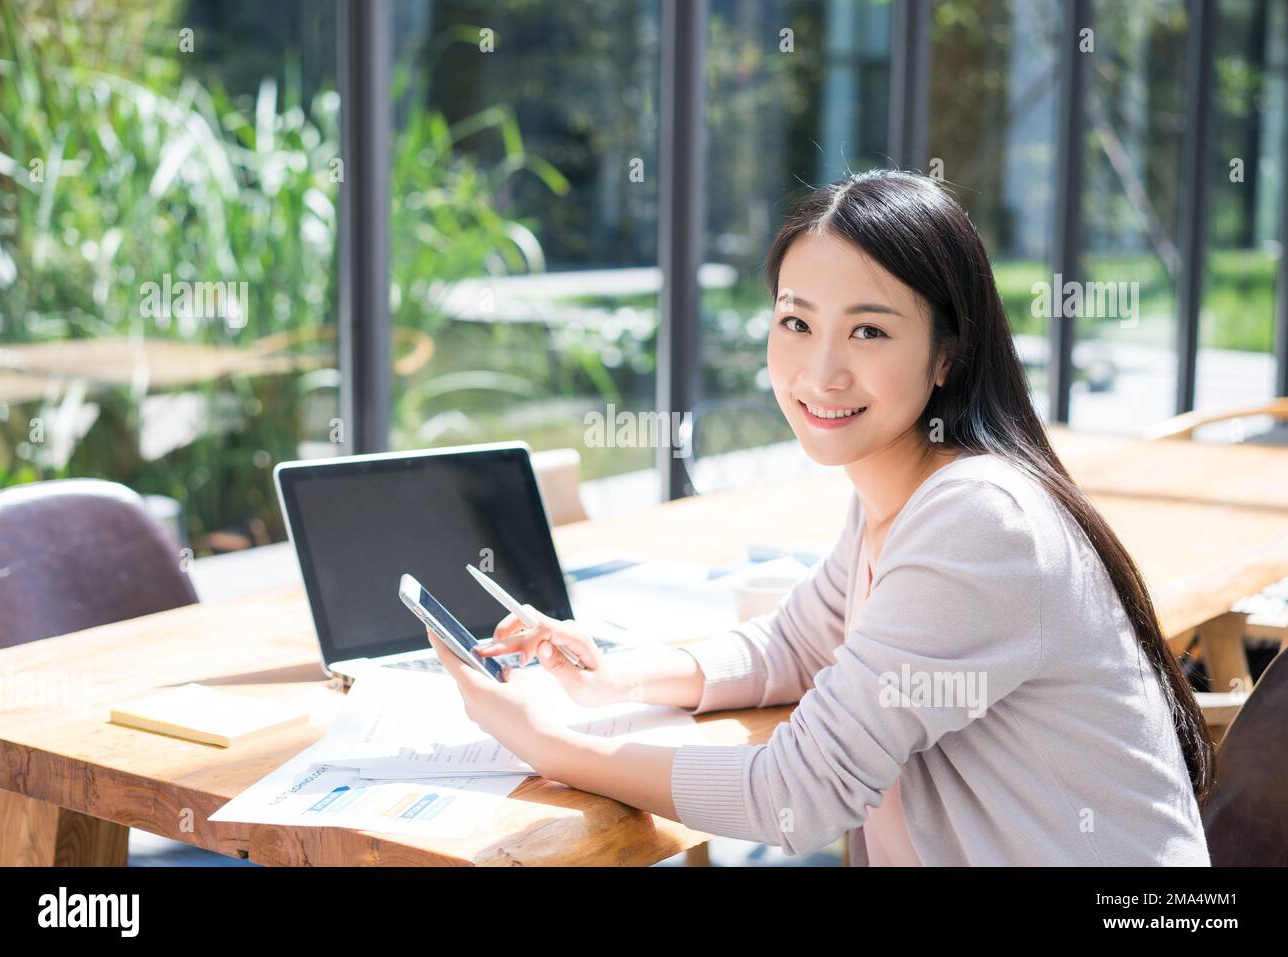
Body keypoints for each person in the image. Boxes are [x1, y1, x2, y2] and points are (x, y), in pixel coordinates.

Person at [424, 169, 1213, 865]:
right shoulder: (897, 494)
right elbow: (798, 642)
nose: (820, 370)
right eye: (796, 322)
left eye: (868, 330)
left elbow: (797, 794)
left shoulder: (981, 520)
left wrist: (545, 741)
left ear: (948, 354)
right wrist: (611, 673)